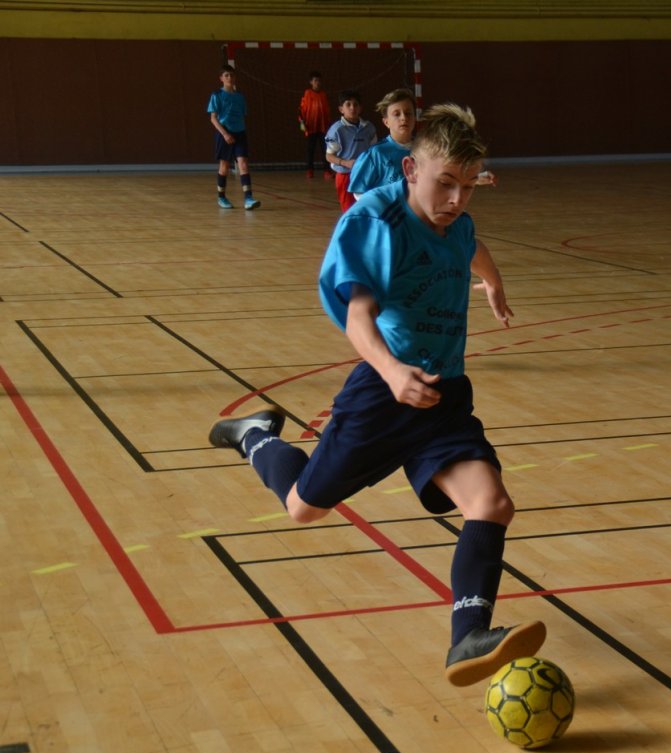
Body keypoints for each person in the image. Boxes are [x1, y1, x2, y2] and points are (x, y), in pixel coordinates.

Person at [208, 104, 543, 687]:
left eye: (468, 187)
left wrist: (494, 283)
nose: (457, 199)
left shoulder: (457, 224)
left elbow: (471, 246)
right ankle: (254, 434)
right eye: (445, 183)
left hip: (443, 396)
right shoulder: (376, 220)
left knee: (492, 505)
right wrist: (390, 372)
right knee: (302, 509)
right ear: (411, 168)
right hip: (384, 393)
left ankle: (468, 638)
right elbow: (359, 315)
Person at [206, 65, 260, 210]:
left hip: (240, 133)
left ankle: (248, 198)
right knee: (224, 166)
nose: (230, 78)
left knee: (243, 164)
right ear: (221, 78)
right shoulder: (216, 95)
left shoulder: (240, 97)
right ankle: (221, 197)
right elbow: (213, 118)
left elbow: (242, 115)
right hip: (224, 133)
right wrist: (225, 133)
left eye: (232, 75)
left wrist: (238, 131)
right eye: (227, 75)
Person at [347, 88, 418, 197]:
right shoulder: (376, 154)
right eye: (396, 114)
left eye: (408, 113)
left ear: (415, 118)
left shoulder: (425, 150)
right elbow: (359, 192)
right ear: (386, 122)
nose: (403, 118)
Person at [324, 89, 378, 212]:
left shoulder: (369, 128)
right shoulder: (336, 130)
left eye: (355, 104)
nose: (352, 107)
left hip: (365, 174)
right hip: (345, 175)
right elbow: (329, 156)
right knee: (349, 210)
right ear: (341, 109)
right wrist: (345, 163)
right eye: (348, 104)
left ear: (360, 108)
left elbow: (374, 151)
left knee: (366, 209)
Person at [299, 71, 331, 179]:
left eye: (319, 81)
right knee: (310, 150)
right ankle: (310, 170)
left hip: (322, 128)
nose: (318, 83)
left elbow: (326, 111)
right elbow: (302, 109)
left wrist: (328, 126)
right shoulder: (307, 93)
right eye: (315, 80)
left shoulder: (323, 94)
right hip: (311, 127)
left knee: (325, 149)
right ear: (311, 82)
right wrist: (302, 122)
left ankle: (327, 171)